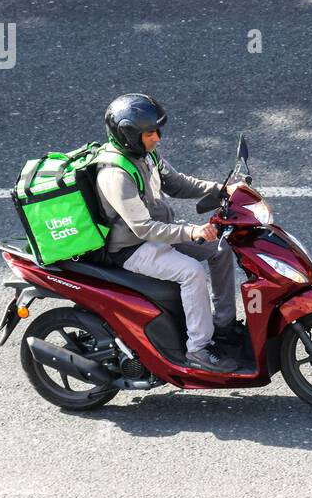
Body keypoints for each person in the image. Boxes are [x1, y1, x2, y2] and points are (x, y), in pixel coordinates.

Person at [94, 93, 247, 373]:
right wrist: (191, 231)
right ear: (130, 135)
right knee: (191, 272)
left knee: (221, 248)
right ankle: (199, 349)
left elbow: (175, 183)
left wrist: (221, 189)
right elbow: (142, 228)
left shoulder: (146, 153)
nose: (158, 138)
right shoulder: (115, 175)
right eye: (151, 133)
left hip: (157, 235)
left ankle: (222, 325)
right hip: (133, 248)